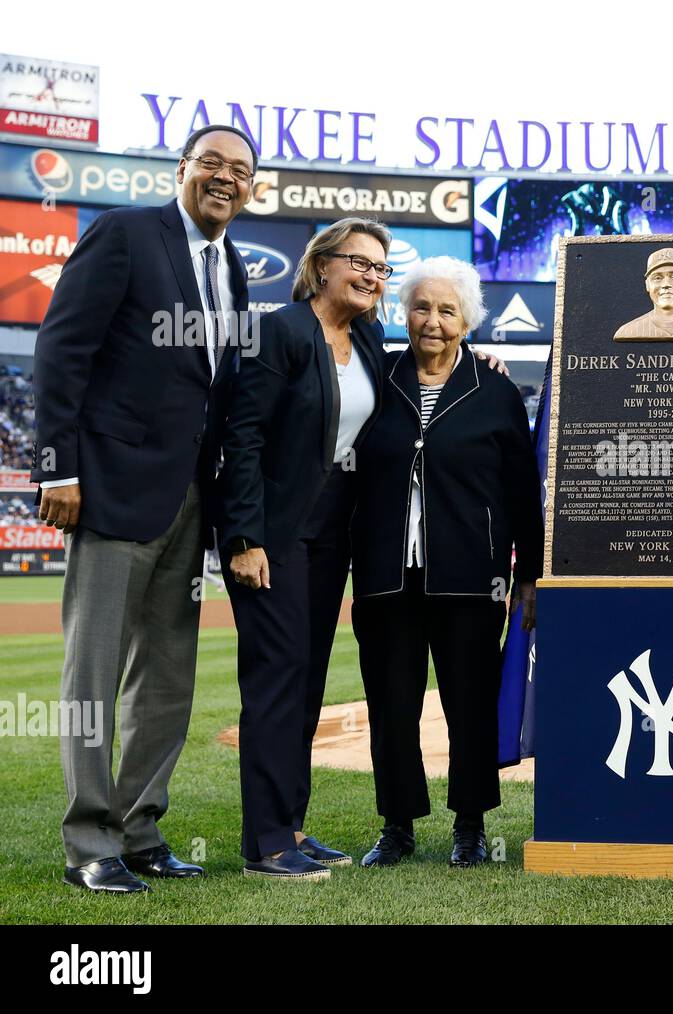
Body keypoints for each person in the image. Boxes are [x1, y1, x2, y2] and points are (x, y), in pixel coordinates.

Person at [32, 124, 257, 893]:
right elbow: (62, 348)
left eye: (241, 171)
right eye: (213, 164)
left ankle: (139, 831)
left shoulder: (233, 271)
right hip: (111, 485)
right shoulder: (125, 234)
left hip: (192, 495)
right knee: (92, 675)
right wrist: (56, 466)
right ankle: (89, 841)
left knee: (167, 676)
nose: (226, 179)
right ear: (183, 170)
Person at [350, 256, 542, 869]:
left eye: (446, 310)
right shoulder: (375, 378)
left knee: (471, 703)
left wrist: (529, 575)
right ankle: (397, 825)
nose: (432, 321)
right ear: (403, 313)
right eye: (421, 307)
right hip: (386, 575)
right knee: (391, 703)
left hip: (471, 575)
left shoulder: (497, 390)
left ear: (468, 321)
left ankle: (470, 827)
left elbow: (521, 492)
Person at [220, 217, 394, 880]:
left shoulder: (369, 339)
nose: (372, 276)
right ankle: (266, 844)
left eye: (381, 268)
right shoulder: (284, 329)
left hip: (334, 533)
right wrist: (244, 536)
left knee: (308, 679)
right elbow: (245, 436)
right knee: (276, 679)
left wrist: (477, 357)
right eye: (360, 262)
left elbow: (404, 394)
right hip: (275, 529)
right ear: (323, 265)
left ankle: (290, 825)